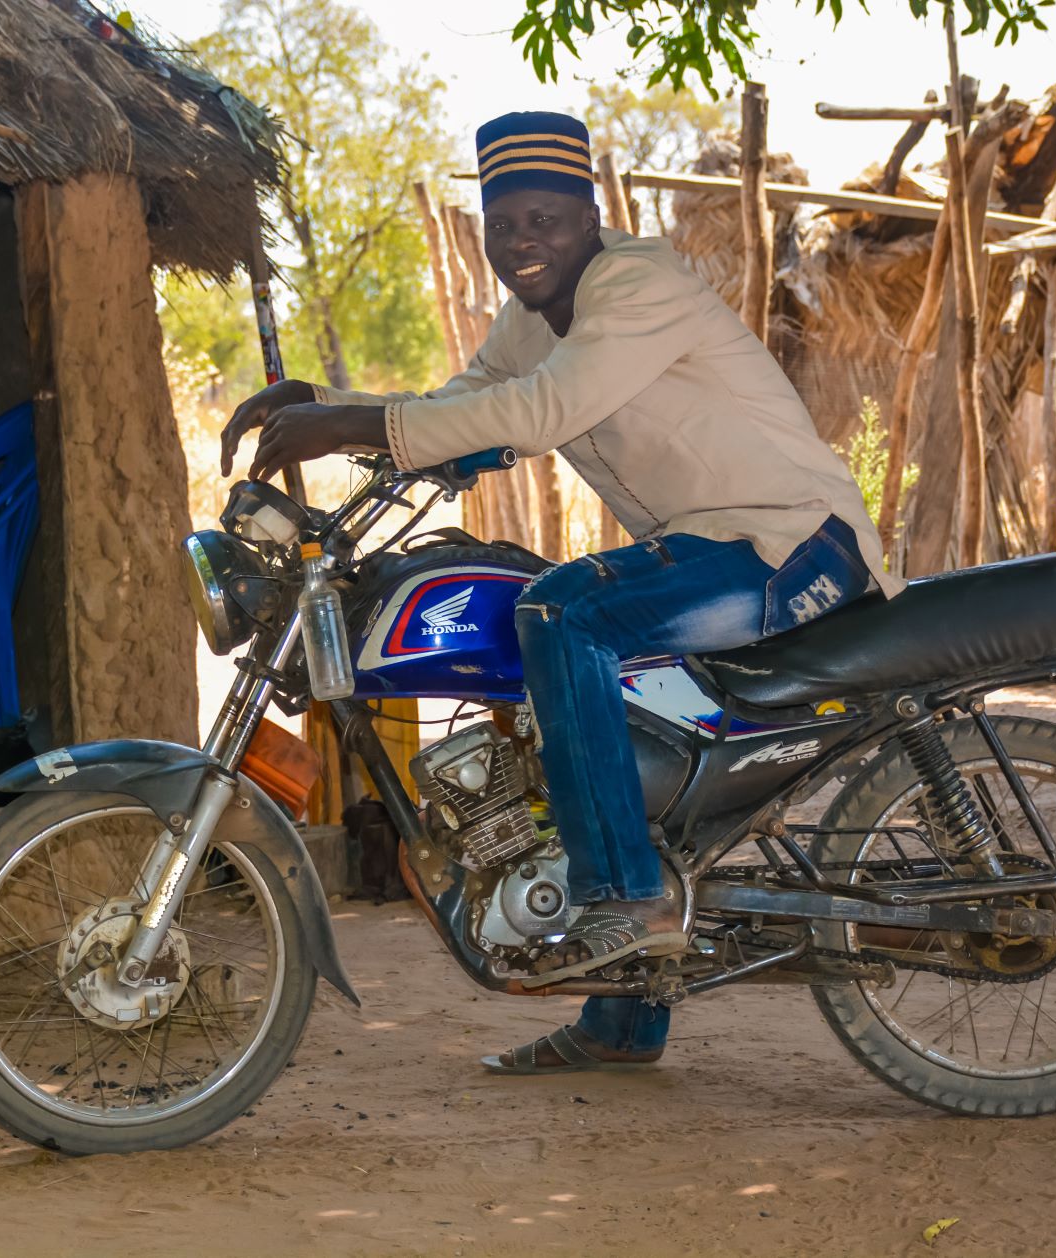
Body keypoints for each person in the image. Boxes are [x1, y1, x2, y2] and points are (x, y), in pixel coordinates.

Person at [220, 110, 903, 1075]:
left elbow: (541, 411)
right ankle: (622, 1021)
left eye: (542, 219)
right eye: (502, 226)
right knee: (605, 715)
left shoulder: (635, 285)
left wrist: (348, 426)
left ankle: (627, 898)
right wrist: (326, 406)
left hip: (790, 542)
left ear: (588, 216)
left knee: (560, 611)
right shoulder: (529, 318)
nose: (520, 242)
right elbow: (468, 402)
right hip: (711, 546)